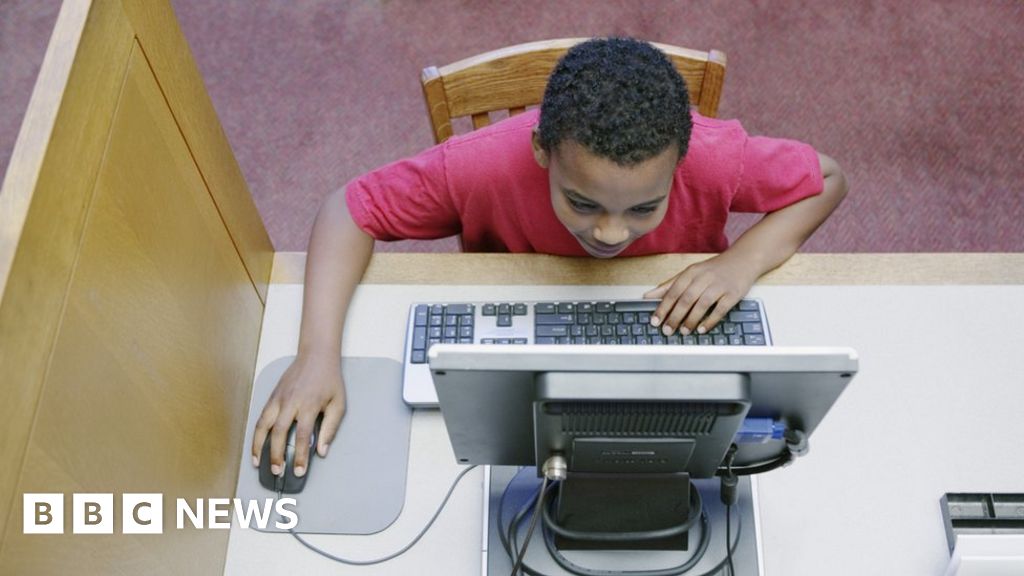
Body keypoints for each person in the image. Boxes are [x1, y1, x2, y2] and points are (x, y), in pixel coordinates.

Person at [251, 37, 848, 480]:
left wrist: (740, 263)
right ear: (541, 150)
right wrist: (316, 354)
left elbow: (828, 177)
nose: (611, 233)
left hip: (675, 352)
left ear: (680, 162)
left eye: (645, 207)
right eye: (582, 202)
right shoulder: (482, 165)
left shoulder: (713, 156)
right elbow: (348, 210)